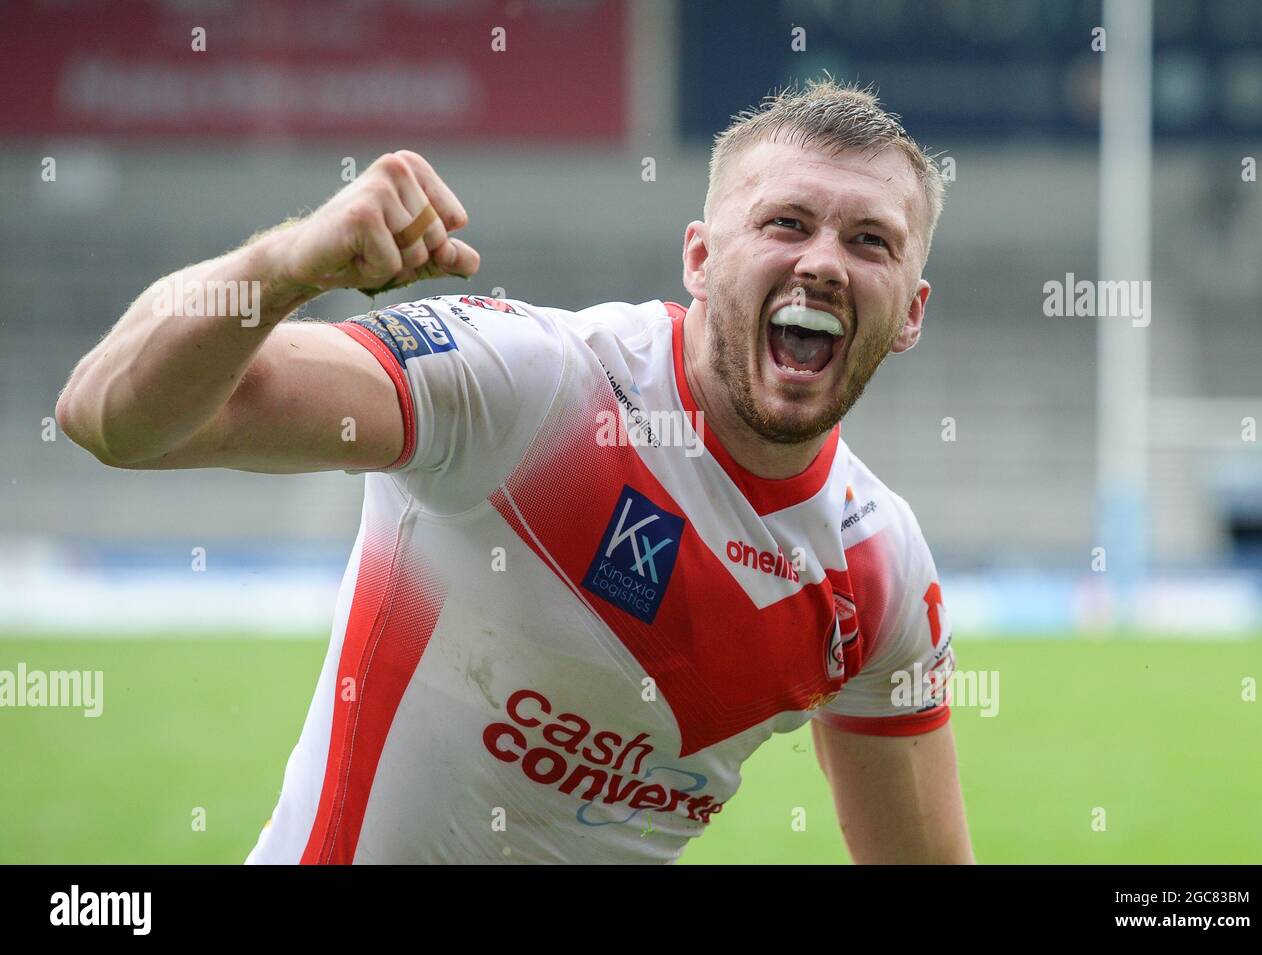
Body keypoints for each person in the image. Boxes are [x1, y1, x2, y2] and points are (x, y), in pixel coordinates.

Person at [57, 79, 974, 864]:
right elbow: (107, 416)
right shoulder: (529, 386)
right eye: (787, 223)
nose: (822, 263)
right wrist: (284, 265)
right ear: (700, 258)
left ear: (911, 313)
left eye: (870, 241)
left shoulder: (876, 568)